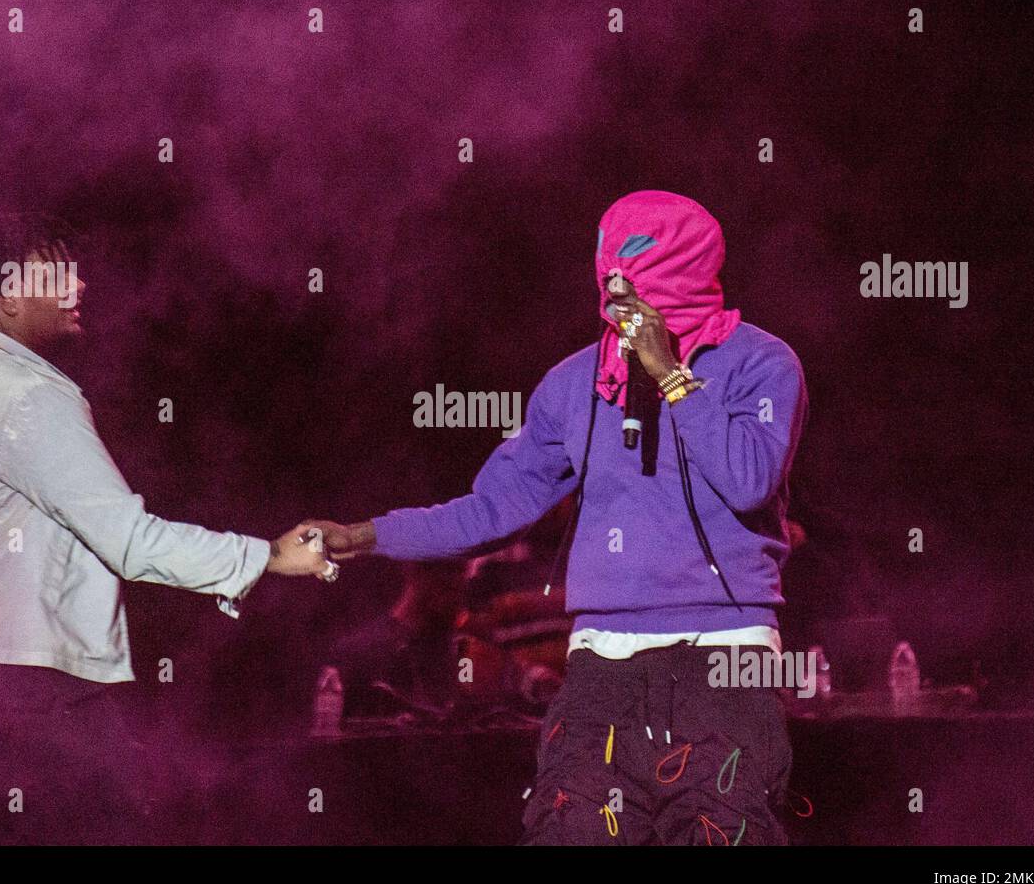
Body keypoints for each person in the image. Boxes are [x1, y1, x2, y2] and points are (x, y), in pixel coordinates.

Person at [306, 190, 808, 845]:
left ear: (686, 262)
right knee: (568, 829)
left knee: (718, 831)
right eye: (609, 269)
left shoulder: (763, 363)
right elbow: (493, 507)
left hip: (727, 654)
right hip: (602, 661)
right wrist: (366, 535)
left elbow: (747, 480)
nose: (617, 283)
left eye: (636, 264)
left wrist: (671, 373)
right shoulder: (575, 384)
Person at [0, 212, 332, 841]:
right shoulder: (24, 398)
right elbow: (130, 541)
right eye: (59, 270)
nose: (79, 285)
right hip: (25, 693)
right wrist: (267, 555)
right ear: (9, 294)